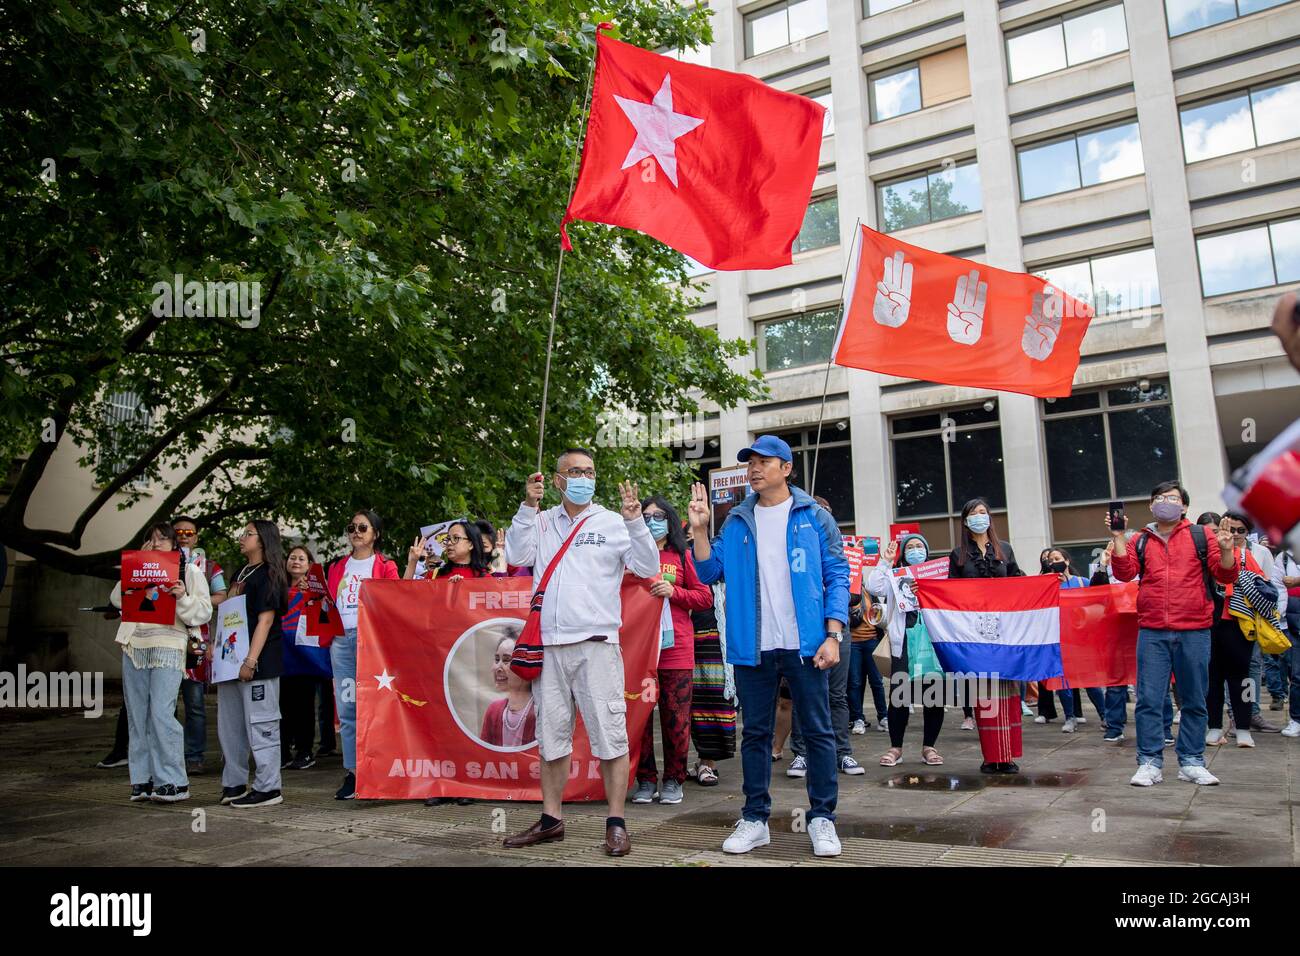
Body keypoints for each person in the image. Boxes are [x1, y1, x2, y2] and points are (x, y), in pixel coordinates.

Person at [689, 435, 849, 858]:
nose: (754, 469)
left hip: (807, 645)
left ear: (787, 468)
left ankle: (822, 819)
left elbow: (837, 575)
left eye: (764, 461)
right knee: (756, 734)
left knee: (817, 733)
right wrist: (701, 530)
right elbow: (708, 571)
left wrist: (833, 635)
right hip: (753, 647)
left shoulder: (814, 516)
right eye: (750, 463)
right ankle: (755, 818)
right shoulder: (738, 519)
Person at [500, 448, 659, 857]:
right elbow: (516, 556)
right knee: (551, 737)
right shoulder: (541, 520)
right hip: (549, 648)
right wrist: (526, 505)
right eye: (574, 471)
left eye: (589, 471)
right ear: (556, 479)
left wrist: (636, 520)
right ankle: (551, 820)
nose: (583, 477)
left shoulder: (611, 522)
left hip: (596, 646)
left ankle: (617, 822)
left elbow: (645, 566)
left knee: (610, 735)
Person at [1109, 481, 1237, 787]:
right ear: (1151, 505)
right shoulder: (1141, 539)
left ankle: (1192, 761)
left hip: (1194, 628)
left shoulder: (1201, 535)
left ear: (1184, 506)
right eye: (1159, 498)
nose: (1166, 502)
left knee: (1194, 699)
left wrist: (1227, 549)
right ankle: (1149, 762)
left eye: (1172, 498)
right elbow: (1124, 573)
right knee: (1149, 699)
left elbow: (1225, 574)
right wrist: (1118, 538)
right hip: (1152, 630)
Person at [109, 522, 212, 803]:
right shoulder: (137, 567)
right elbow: (116, 599)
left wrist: (182, 597)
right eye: (151, 540)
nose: (156, 544)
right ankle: (142, 778)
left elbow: (203, 611)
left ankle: (174, 781)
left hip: (168, 645)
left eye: (162, 540)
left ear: (174, 545)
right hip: (134, 646)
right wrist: (133, 569)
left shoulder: (187, 570)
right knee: (137, 714)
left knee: (162, 713)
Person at [631, 496, 712, 806]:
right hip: (639, 651)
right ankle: (645, 779)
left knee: (675, 719)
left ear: (671, 522)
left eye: (658, 516)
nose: (652, 521)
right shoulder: (630, 558)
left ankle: (674, 779)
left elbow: (704, 598)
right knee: (638, 719)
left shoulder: (683, 556)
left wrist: (673, 592)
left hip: (675, 651)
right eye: (647, 516)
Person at [788, 496, 865, 778]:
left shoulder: (843, 554)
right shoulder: (796, 547)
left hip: (836, 629)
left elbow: (853, 596)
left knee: (837, 694)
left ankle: (842, 753)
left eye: (827, 513)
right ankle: (801, 753)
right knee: (803, 693)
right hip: (806, 628)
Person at [326, 509, 400, 800]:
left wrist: (412, 564)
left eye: (363, 527)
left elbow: (398, 596)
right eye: (351, 527)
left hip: (371, 643)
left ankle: (379, 770)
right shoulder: (337, 566)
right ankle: (353, 772)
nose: (356, 532)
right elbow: (329, 602)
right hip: (342, 641)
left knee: (377, 707)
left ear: (375, 534)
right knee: (347, 708)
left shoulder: (385, 565)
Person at [215, 519, 289, 808]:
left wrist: (251, 660)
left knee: (262, 723)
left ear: (264, 540)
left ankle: (269, 786)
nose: (242, 537)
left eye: (249, 533)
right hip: (229, 660)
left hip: (258, 661)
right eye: (243, 533)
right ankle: (234, 783)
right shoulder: (241, 572)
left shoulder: (270, 573)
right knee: (230, 725)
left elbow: (266, 619)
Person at [948, 498, 1025, 774]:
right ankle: (991, 755)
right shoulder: (958, 555)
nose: (979, 517)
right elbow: (951, 594)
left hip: (1005, 632)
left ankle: (1008, 754)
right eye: (973, 513)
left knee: (1008, 691)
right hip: (976, 633)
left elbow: (1017, 579)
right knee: (985, 694)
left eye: (983, 512)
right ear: (965, 520)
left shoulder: (1004, 549)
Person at [870, 534, 945, 766]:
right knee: (899, 695)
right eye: (910, 547)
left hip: (933, 642)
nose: (915, 550)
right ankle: (896, 748)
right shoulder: (895, 576)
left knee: (934, 695)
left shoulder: (939, 575)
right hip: (903, 642)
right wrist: (886, 561)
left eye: (919, 546)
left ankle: (929, 747)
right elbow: (873, 586)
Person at [1205, 512, 1269, 749]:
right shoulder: (1206, 556)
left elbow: (1262, 585)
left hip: (1238, 623)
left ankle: (1243, 726)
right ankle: (1213, 727)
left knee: (1242, 678)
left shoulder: (1246, 555)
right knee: (1212, 678)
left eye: (1238, 530)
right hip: (1209, 623)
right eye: (1227, 529)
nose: (1232, 535)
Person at [171, 516, 228, 776]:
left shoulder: (208, 567)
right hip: (166, 636)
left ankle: (194, 756)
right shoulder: (158, 565)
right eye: (178, 532)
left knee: (194, 702)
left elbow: (222, 596)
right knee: (165, 703)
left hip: (195, 638)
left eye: (189, 532)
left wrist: (194, 598)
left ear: (196, 537)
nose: (183, 536)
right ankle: (168, 755)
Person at [280, 544, 332, 771]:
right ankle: (282, 752)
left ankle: (304, 751)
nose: (296, 562)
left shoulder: (317, 591)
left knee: (304, 706)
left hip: (305, 657)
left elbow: (327, 615)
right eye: (292, 558)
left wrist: (312, 593)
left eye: (302, 558)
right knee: (281, 707)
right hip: (281, 656)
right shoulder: (277, 590)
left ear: (310, 565)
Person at [1034, 549, 1085, 733]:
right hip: (1057, 639)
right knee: (1063, 681)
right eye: (1050, 560)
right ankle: (1070, 717)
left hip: (1080, 640)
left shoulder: (1081, 582)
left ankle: (1105, 717)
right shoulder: (1045, 585)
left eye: (1057, 559)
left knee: (1090, 683)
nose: (1053, 562)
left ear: (1067, 561)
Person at [688, 599, 735, 786]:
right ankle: (681, 766)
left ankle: (708, 762)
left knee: (711, 696)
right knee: (683, 702)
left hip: (714, 627)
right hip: (682, 625)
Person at [480, 631, 536, 746]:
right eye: (496, 659)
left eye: (506, 660)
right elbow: (482, 756)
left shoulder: (542, 711)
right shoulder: (493, 710)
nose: (497, 667)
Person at [405, 519, 493, 581]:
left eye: (456, 538)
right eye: (448, 539)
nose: (449, 543)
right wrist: (412, 562)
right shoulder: (435, 575)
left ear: (471, 544)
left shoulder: (485, 579)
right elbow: (406, 597)